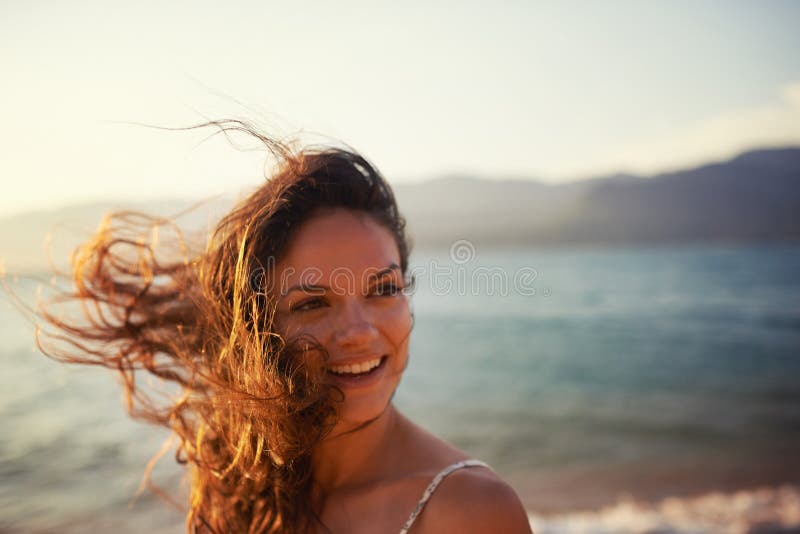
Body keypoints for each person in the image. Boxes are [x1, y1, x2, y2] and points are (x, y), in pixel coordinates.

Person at [37, 120, 533, 533]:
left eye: (383, 290)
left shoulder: (471, 512)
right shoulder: (244, 476)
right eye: (313, 303)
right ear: (260, 329)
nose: (359, 331)